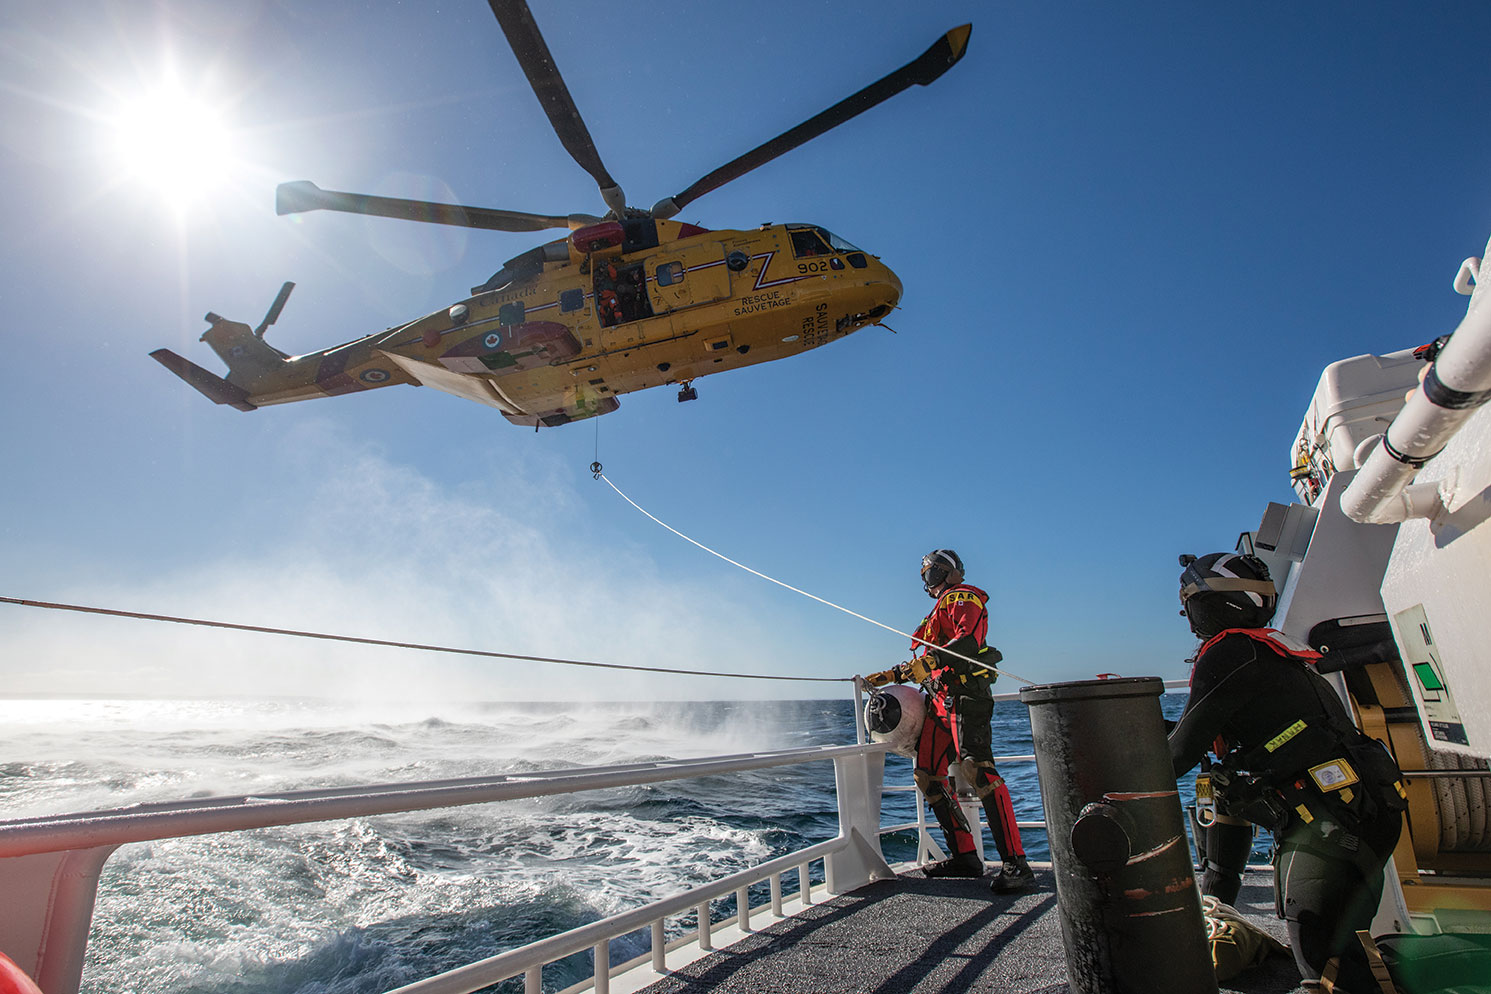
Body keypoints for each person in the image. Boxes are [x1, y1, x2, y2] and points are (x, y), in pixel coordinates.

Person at [1168, 552, 1408, 992]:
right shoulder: (1263, 649)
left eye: (1187, 603)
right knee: (1342, 948)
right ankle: (1215, 912)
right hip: (1362, 806)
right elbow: (1204, 731)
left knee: (1324, 961)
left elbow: (1178, 756)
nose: (1185, 616)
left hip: (1336, 822)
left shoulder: (1229, 652)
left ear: (1208, 602)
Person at [860, 549, 1035, 893]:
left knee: (977, 770)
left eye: (929, 573)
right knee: (927, 775)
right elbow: (929, 661)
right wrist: (892, 675)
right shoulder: (938, 609)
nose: (926, 581)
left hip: (965, 698)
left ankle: (1017, 865)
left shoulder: (962, 597)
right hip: (939, 702)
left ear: (945, 573)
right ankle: (965, 857)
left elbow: (966, 642)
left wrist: (928, 663)